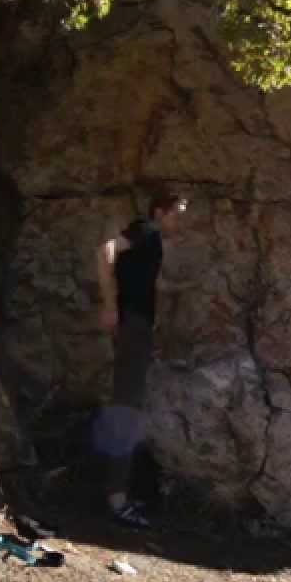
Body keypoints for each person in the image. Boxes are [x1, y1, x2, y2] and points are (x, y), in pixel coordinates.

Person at [93, 189, 186, 529]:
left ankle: (114, 491)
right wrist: (110, 305)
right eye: (176, 213)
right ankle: (116, 499)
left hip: (137, 326)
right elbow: (104, 252)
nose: (180, 221)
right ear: (159, 212)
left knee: (126, 405)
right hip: (133, 326)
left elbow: (135, 276)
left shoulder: (151, 239)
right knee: (126, 409)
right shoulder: (145, 229)